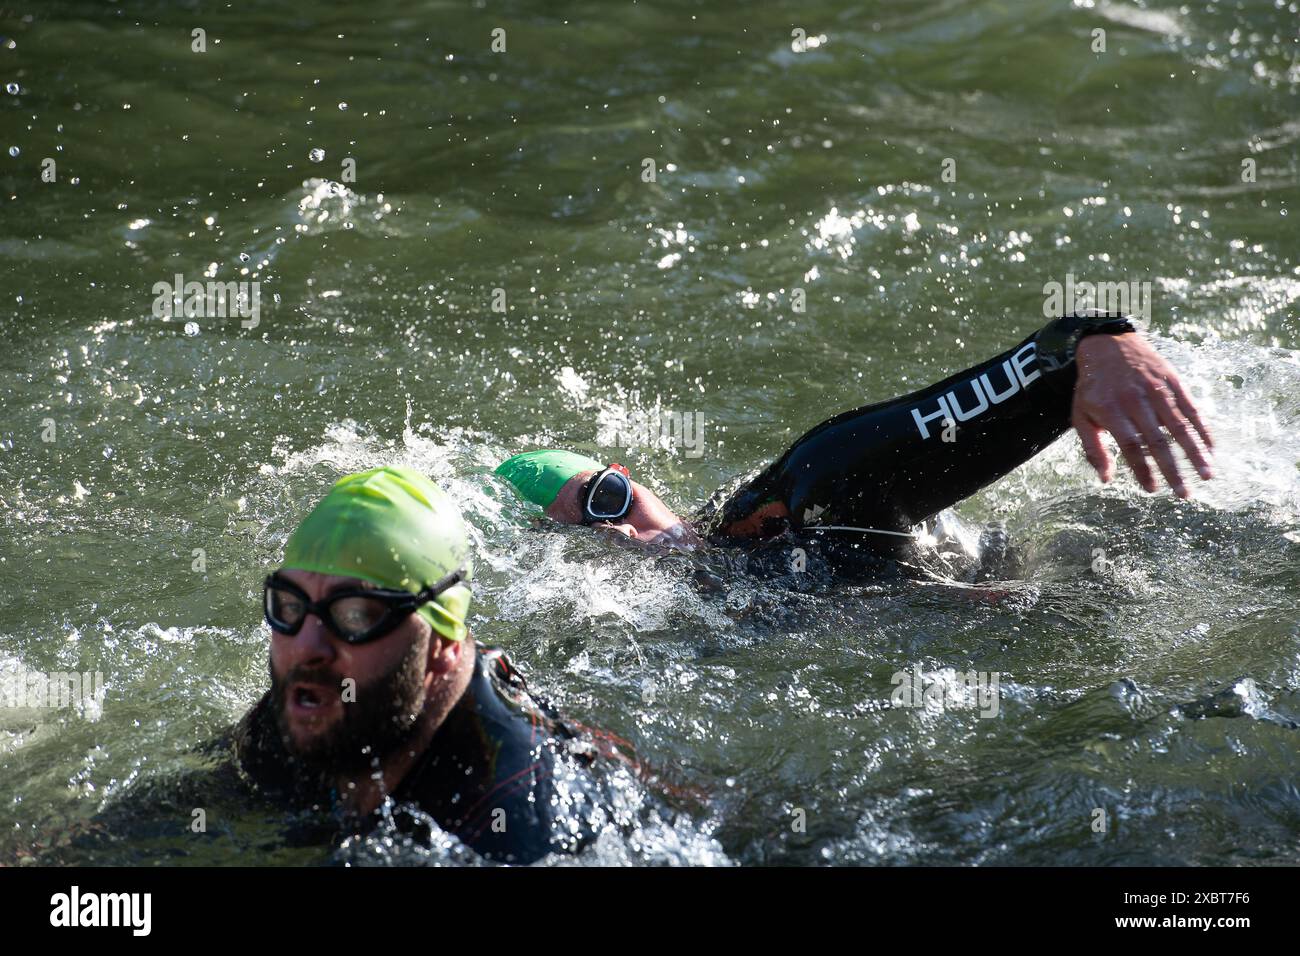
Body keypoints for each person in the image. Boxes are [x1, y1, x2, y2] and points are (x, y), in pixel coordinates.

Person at [494, 312, 1215, 569]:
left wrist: (1093, 340)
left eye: (608, 498)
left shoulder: (802, 494)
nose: (621, 534)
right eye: (586, 540)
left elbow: (1016, 376)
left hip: (1172, 544)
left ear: (632, 476)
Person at [230, 465, 622, 864]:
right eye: (292, 605)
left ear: (444, 644)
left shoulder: (522, 830)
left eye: (356, 616)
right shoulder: (303, 709)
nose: (307, 647)